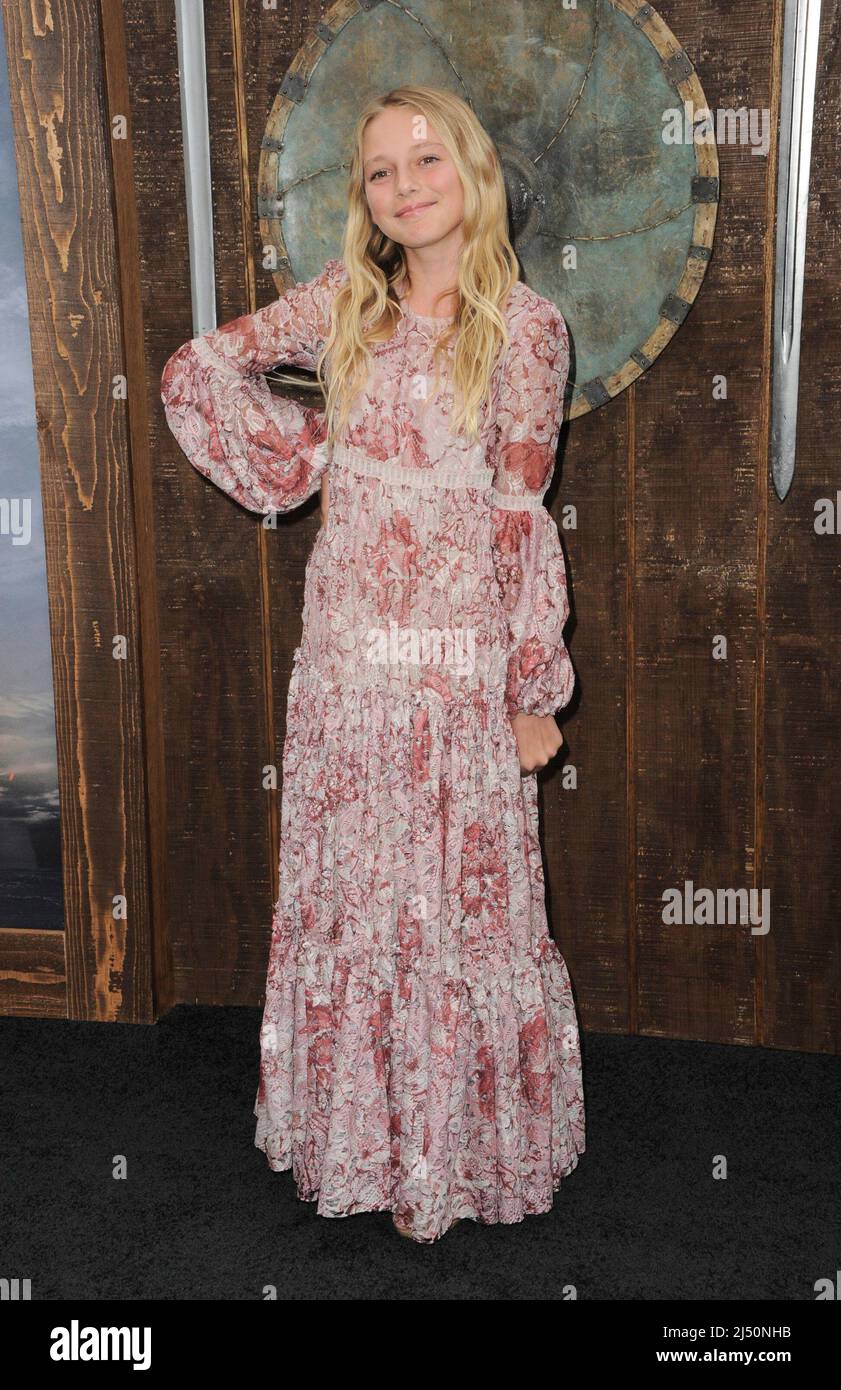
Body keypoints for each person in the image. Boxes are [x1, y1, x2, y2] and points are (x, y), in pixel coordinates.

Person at [160, 84, 585, 1243]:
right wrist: (309, 456)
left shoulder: (528, 327)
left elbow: (517, 513)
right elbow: (198, 370)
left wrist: (527, 691)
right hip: (345, 668)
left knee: (448, 914)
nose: (403, 186)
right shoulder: (343, 299)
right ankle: (349, 1137)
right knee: (353, 905)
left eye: (424, 160)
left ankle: (442, 1162)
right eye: (380, 171)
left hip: (451, 675)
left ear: (472, 172)